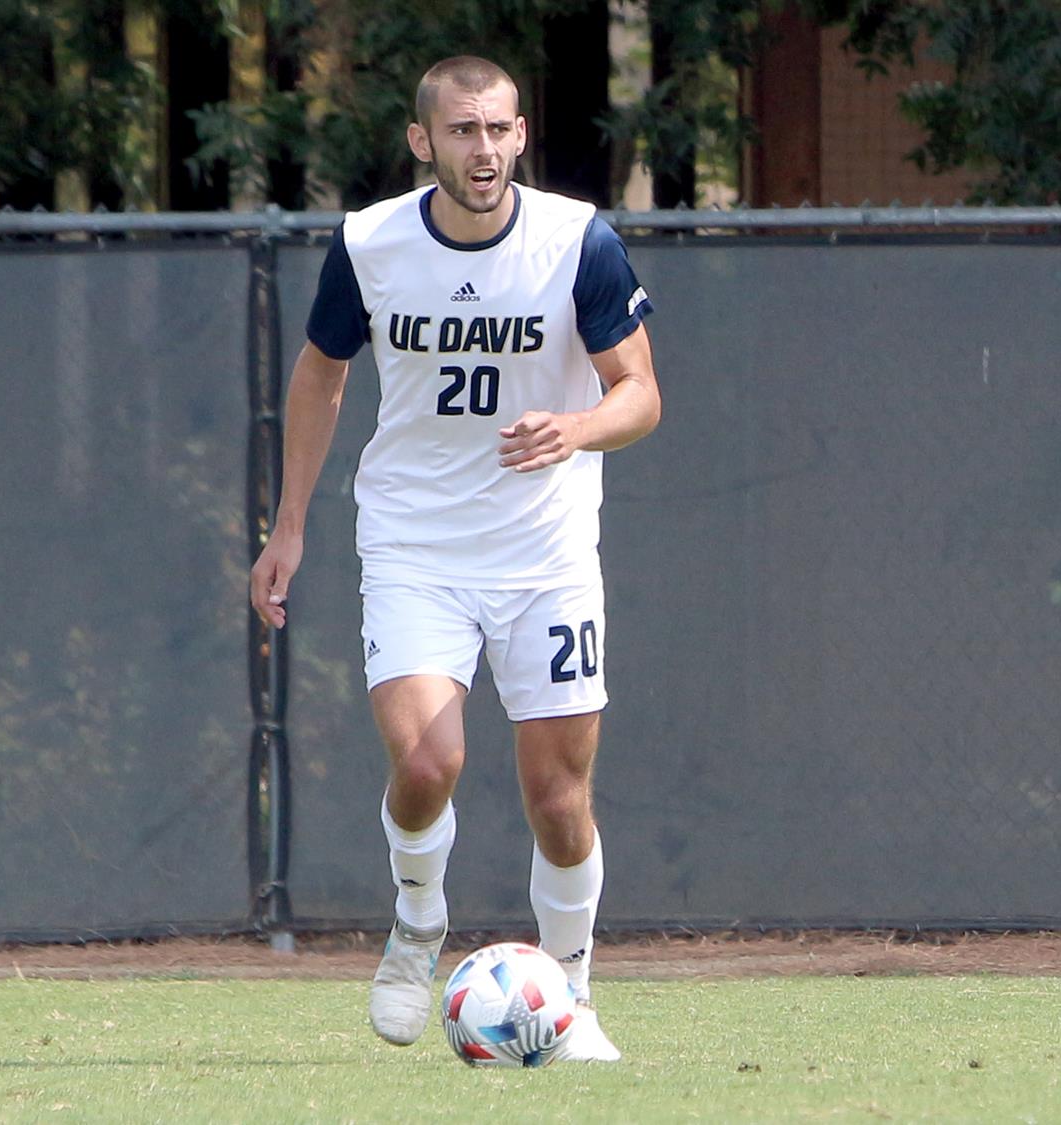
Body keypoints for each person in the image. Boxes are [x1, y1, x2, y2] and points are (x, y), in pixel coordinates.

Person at [248, 54, 659, 1063]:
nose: (482, 150)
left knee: (558, 800)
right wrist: (288, 526)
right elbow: (318, 379)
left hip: (544, 552)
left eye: (498, 131)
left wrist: (574, 427)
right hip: (414, 544)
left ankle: (569, 995)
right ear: (421, 140)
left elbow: (639, 393)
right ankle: (415, 926)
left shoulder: (576, 241)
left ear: (521, 138)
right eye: (461, 132)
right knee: (429, 762)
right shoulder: (371, 244)